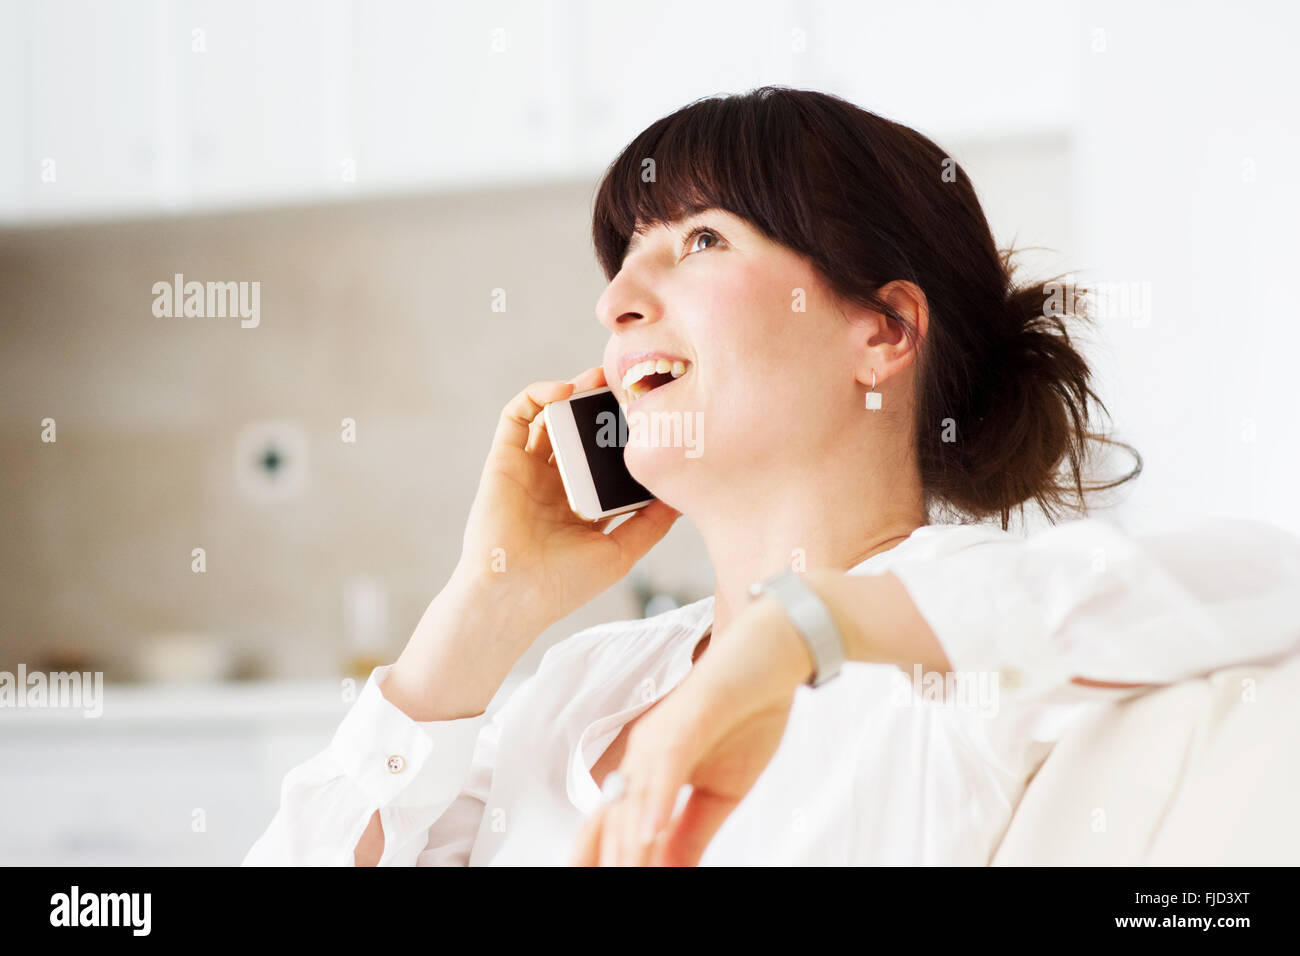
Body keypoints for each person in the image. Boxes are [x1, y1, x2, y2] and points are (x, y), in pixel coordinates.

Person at [243, 87, 1300, 867]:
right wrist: (485, 607)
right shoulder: (578, 688)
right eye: (621, 256)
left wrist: (807, 625)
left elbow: (1272, 580)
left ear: (882, 331)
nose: (618, 298)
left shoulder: (947, 661)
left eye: (699, 238)